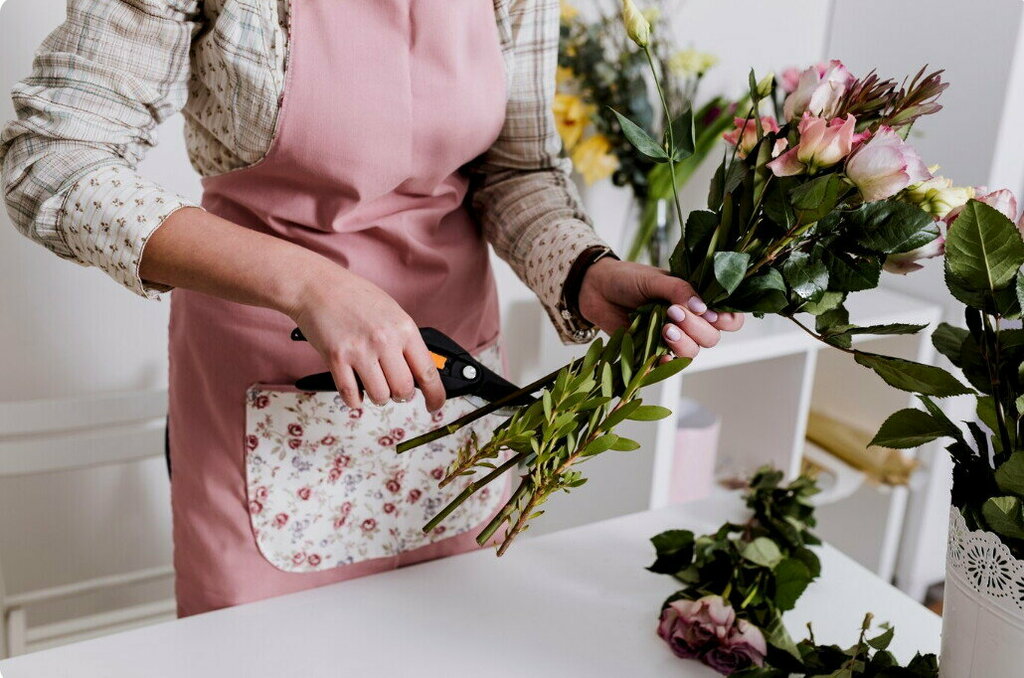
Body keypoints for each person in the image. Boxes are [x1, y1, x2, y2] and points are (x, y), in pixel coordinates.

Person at [0, 0, 743, 616]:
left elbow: (515, 169)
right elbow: (51, 157)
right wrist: (311, 284)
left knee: (445, 634)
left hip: (450, 391)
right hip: (265, 377)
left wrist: (585, 271)